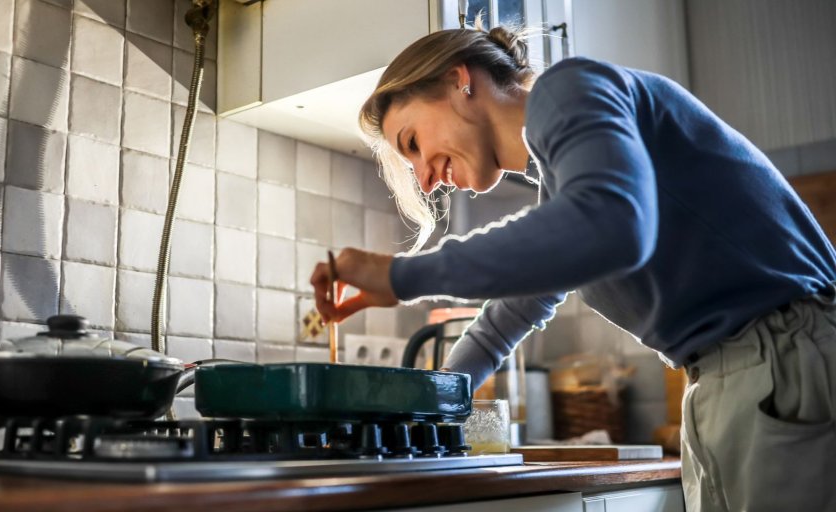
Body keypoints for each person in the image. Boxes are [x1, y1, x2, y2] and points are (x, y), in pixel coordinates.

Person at [311, 25, 836, 512]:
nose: (425, 181)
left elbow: (611, 224)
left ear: (457, 81)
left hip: (786, 364)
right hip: (739, 381)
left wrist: (400, 276)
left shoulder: (568, 89)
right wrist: (426, 412)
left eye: (413, 144)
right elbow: (503, 324)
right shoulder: (567, 190)